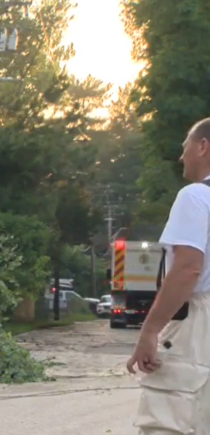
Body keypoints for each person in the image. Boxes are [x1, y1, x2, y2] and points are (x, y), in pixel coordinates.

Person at [129, 117, 210, 435]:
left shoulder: (196, 197)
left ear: (203, 146)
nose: (181, 157)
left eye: (185, 146)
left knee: (170, 420)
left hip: (200, 325)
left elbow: (188, 268)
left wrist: (150, 331)